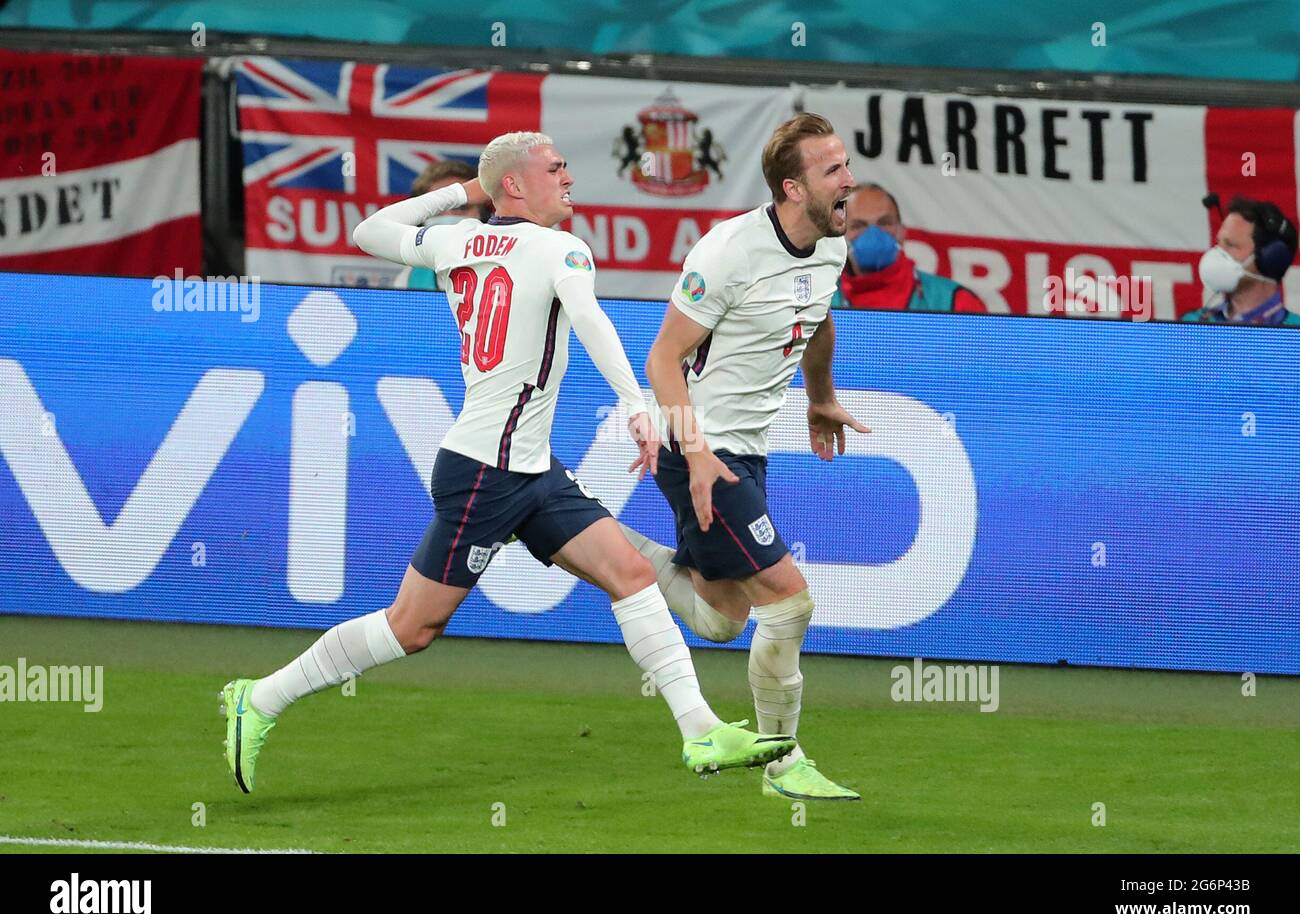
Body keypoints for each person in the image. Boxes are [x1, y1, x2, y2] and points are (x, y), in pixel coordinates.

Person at [220, 132, 795, 793]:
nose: (569, 177)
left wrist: (465, 193)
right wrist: (636, 403)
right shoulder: (560, 249)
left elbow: (368, 230)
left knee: (631, 573)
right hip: (485, 475)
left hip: (528, 467)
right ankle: (259, 697)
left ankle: (699, 729)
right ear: (517, 187)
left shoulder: (453, 241)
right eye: (555, 168)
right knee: (413, 627)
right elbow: (591, 320)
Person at [625, 113, 868, 801]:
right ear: (792, 187)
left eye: (846, 164)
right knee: (790, 604)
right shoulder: (726, 251)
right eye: (832, 171)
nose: (849, 180)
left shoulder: (829, 245)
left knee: (723, 617)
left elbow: (818, 318)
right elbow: (663, 358)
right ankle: (783, 767)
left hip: (747, 450)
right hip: (701, 447)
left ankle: (591, 537)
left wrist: (820, 397)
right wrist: (698, 454)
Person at [831, 183, 986, 313]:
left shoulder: (954, 302)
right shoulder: (818, 305)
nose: (873, 234)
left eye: (884, 223)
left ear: (902, 233)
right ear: (839, 237)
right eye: (858, 225)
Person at [1180, 196, 1300, 325]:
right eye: (1218, 243)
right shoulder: (1191, 324)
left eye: (1230, 245)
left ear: (1270, 259)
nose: (1216, 253)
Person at [391, 159, 483, 290]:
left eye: (461, 208)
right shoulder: (409, 279)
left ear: (483, 213)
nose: (449, 216)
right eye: (437, 210)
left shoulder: (507, 267)